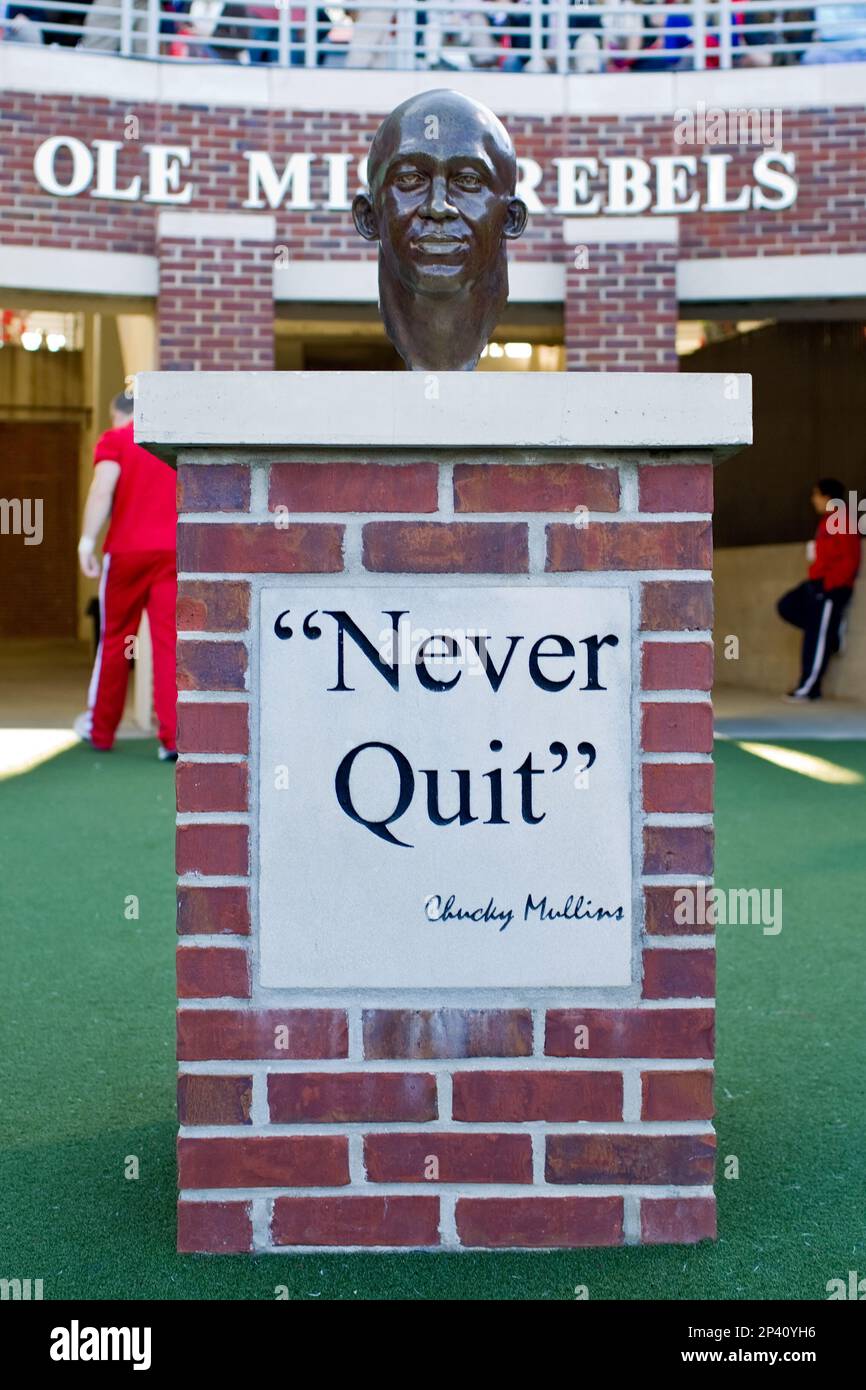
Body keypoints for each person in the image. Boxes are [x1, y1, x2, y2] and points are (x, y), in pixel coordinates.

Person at [77, 391, 178, 758]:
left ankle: (101, 731)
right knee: (169, 643)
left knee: (117, 640)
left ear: (121, 413)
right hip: (172, 552)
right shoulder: (170, 441)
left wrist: (86, 542)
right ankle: (173, 738)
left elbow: (102, 488)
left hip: (126, 553)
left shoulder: (117, 438)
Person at [777, 477, 861, 702]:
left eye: (815, 494)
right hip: (816, 584)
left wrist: (828, 585)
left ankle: (809, 688)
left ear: (826, 496)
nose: (812, 499)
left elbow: (850, 560)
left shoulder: (841, 520)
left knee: (815, 635)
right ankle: (830, 632)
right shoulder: (826, 521)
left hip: (830, 588)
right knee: (787, 606)